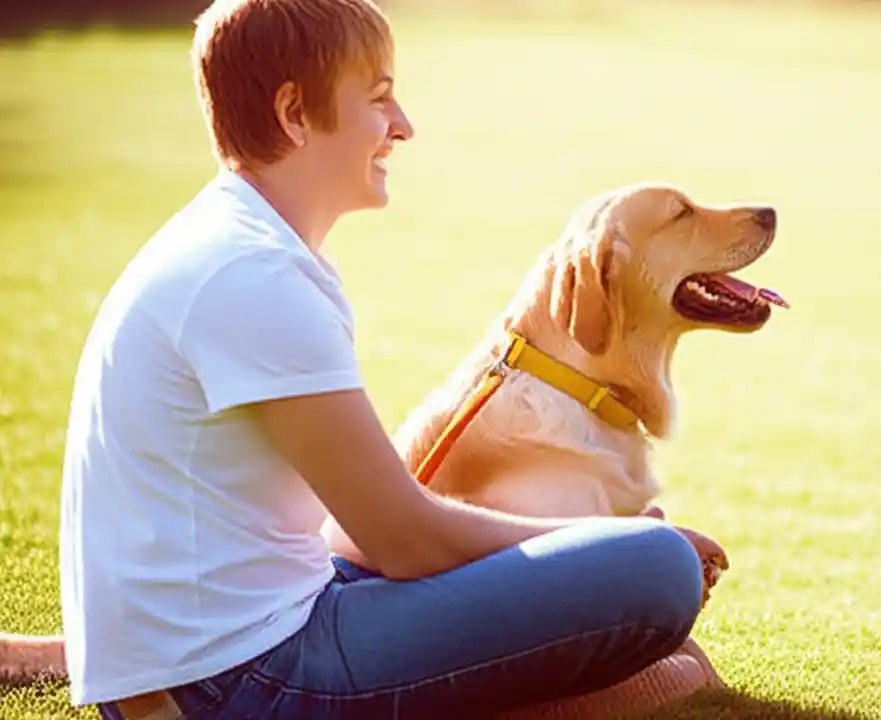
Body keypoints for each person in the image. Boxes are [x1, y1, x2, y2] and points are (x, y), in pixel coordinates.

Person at [54, 0, 725, 717]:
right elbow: (405, 539)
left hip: (235, 648)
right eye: (378, 99)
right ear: (294, 113)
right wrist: (611, 540)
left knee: (625, 569)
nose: (402, 125)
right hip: (236, 685)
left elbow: (357, 534)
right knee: (655, 567)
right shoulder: (252, 275)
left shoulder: (245, 247)